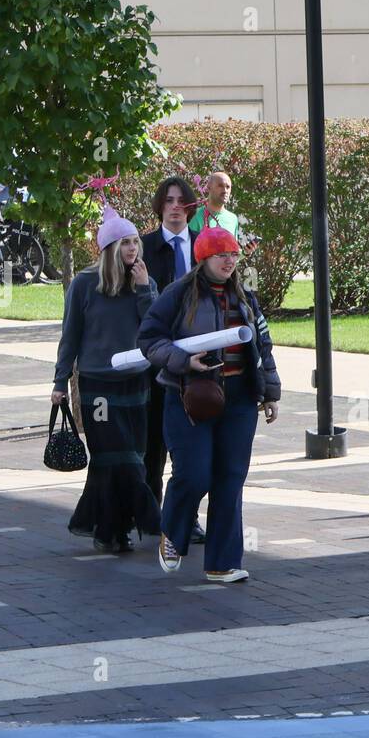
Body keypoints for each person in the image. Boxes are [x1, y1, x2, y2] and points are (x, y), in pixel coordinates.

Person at [138, 226, 280, 582]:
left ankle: (222, 563)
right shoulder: (178, 294)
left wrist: (271, 392)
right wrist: (184, 361)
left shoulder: (245, 297)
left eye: (233, 254)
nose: (229, 261)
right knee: (194, 474)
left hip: (240, 399)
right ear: (203, 258)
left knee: (230, 479)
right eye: (221, 255)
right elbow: (150, 339)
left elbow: (263, 346)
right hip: (191, 397)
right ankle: (172, 532)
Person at [52, 205, 161, 552]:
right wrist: (59, 382)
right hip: (98, 385)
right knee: (114, 459)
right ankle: (150, 519)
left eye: (135, 242)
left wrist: (144, 288)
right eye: (126, 242)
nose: (133, 249)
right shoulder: (84, 284)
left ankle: (110, 530)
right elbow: (70, 336)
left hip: (136, 381)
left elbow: (155, 328)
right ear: (110, 248)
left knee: (134, 458)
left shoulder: (144, 282)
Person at [140, 177, 205, 545]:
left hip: (197, 363)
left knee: (191, 449)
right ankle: (152, 517)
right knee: (153, 446)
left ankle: (188, 519)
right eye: (169, 201)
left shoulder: (202, 246)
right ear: (160, 206)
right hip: (157, 362)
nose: (176, 207)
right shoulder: (144, 247)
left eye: (182, 201)